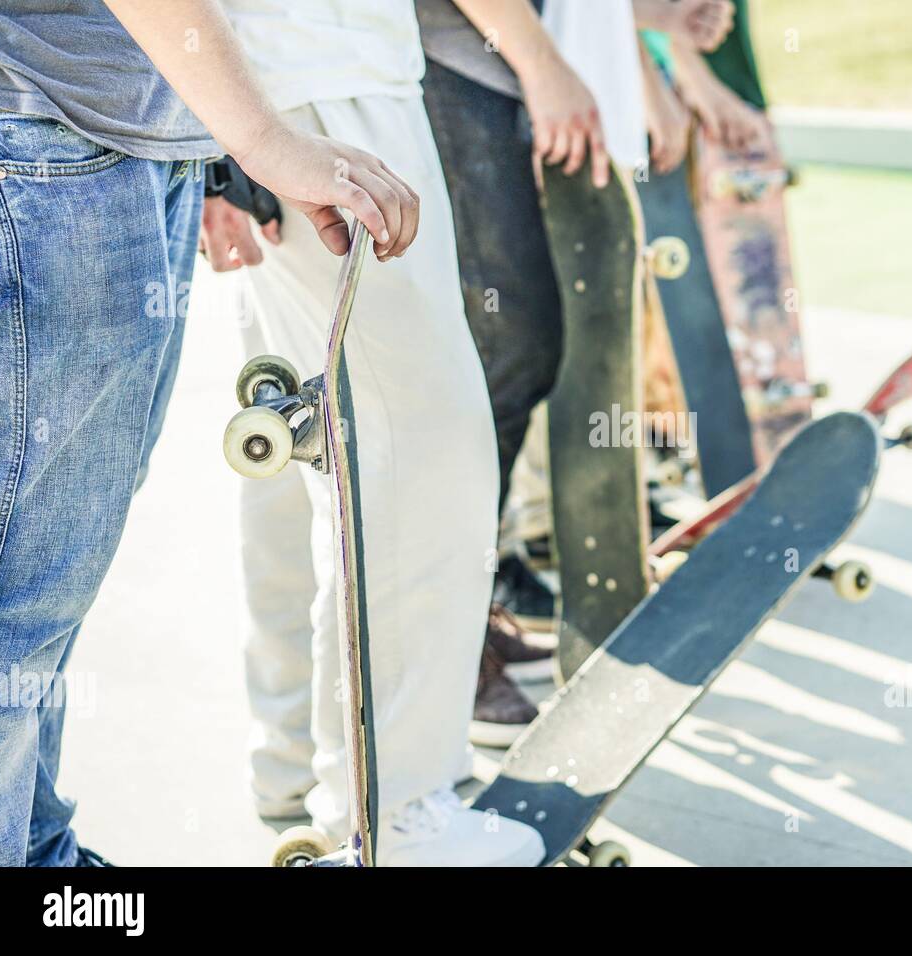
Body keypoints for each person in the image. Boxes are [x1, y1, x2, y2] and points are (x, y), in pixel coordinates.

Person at [0, 0, 417, 868]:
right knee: (18, 594)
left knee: (48, 590)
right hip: (44, 138)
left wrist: (211, 149)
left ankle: (36, 853)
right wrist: (262, 137)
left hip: (126, 139)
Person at [198, 0, 546, 866]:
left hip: (287, 90)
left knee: (304, 455)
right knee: (420, 462)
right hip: (325, 96)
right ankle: (391, 815)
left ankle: (297, 779)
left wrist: (209, 141)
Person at [415, 0, 731, 744]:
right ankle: (442, 645)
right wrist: (543, 62)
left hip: (499, 66)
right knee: (504, 354)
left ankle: (472, 606)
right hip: (455, 61)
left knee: (534, 351)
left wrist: (645, 22)